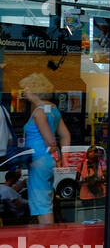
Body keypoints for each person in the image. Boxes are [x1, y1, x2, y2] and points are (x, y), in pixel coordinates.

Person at [20, 72, 71, 225]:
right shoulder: (53, 110)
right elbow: (65, 135)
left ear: (34, 89)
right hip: (47, 160)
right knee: (45, 199)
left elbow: (50, 140)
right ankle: (47, 234)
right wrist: (64, 159)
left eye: (26, 88)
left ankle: (47, 236)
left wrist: (56, 155)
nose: (24, 91)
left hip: (39, 160)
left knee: (41, 203)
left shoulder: (39, 112)